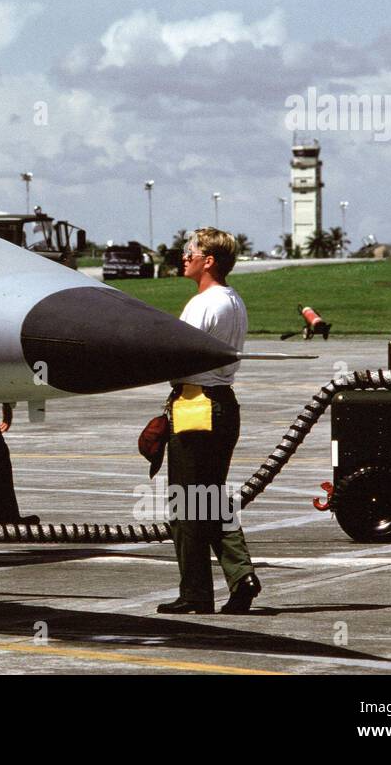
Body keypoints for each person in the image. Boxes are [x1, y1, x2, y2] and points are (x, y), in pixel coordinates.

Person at [158, 227, 262, 615]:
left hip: (196, 406)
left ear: (209, 261)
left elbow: (180, 357)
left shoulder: (203, 304)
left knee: (186, 505)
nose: (184, 256)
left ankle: (196, 594)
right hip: (223, 403)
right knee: (211, 499)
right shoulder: (234, 300)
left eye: (192, 251)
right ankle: (241, 576)